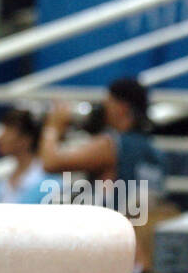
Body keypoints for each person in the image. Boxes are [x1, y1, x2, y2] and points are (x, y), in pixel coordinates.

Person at [39, 78, 167, 216]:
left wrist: (53, 127)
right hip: (137, 228)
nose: (103, 109)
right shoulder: (153, 151)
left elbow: (50, 163)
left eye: (108, 103)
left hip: (109, 224)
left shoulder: (110, 145)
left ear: (121, 108)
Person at [0, 108, 56, 204]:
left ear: (26, 139)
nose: (0, 138)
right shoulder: (1, 181)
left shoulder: (50, 179)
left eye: (8, 131)